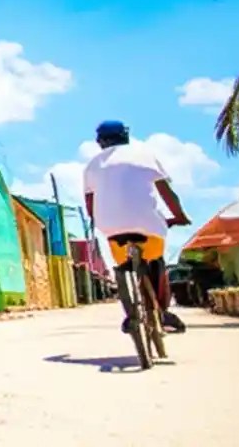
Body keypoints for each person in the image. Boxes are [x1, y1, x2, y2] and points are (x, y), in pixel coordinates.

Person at [83, 120, 191, 334]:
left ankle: (130, 310)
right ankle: (162, 312)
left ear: (99, 142)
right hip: (147, 223)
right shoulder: (145, 155)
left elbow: (90, 204)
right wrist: (179, 216)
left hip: (111, 227)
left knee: (123, 263)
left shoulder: (92, 165)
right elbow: (166, 193)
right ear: (126, 136)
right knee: (156, 261)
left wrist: (104, 223)